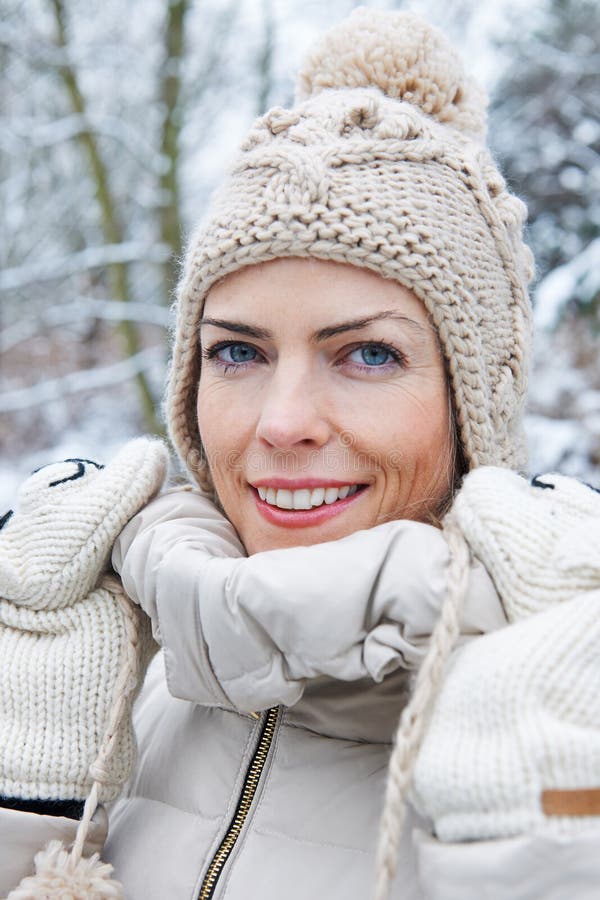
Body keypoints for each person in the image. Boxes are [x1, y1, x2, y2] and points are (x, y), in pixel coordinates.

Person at [1, 8, 599, 899]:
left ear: (471, 404)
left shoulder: (571, 730)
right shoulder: (114, 685)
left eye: (367, 354)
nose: (282, 424)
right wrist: (23, 811)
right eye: (237, 352)